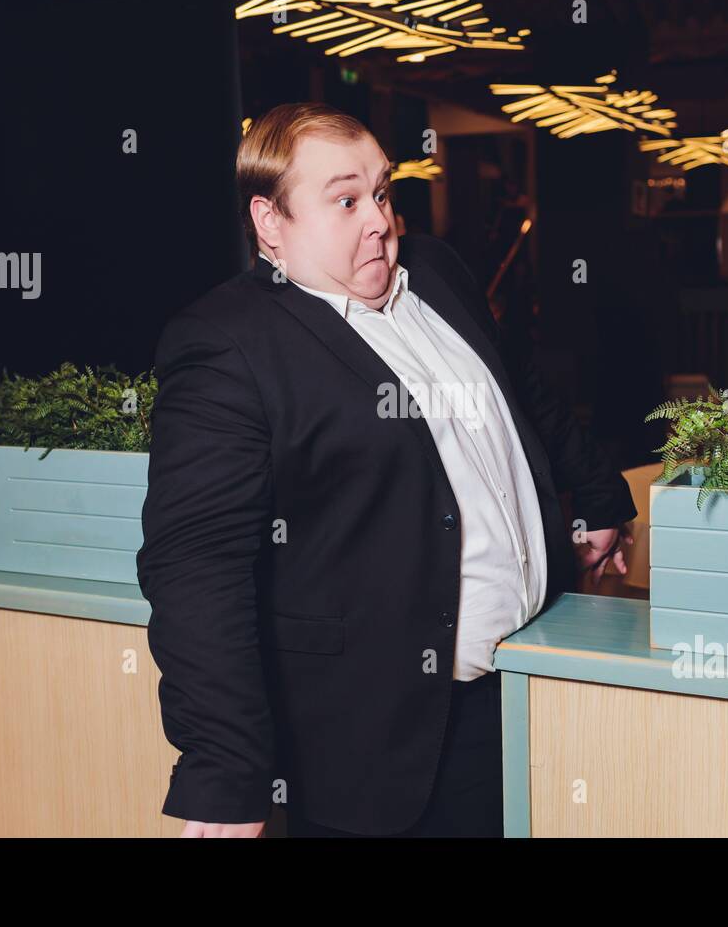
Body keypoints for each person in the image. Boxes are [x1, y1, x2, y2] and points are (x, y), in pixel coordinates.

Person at [135, 102, 636, 838]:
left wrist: (597, 494)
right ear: (271, 222)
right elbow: (196, 570)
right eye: (345, 200)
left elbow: (519, 388)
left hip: (532, 695)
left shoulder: (435, 269)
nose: (379, 220)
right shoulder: (226, 346)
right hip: (386, 750)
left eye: (382, 192)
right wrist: (226, 772)